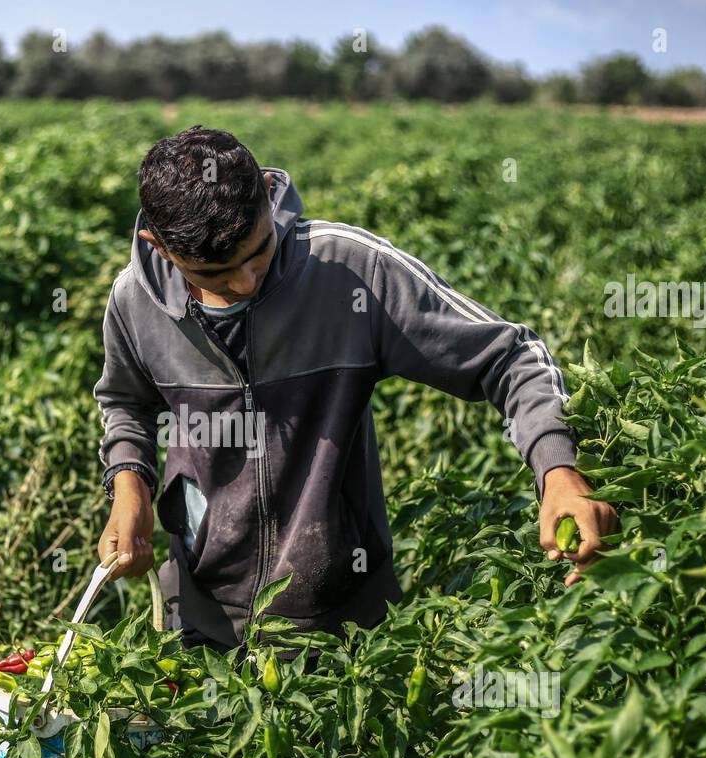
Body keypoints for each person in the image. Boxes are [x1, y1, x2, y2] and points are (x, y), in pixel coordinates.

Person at [94, 126, 618, 656]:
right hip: (198, 617)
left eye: (259, 252)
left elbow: (508, 358)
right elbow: (126, 403)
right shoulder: (135, 302)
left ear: (265, 197)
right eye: (219, 272)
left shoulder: (351, 272)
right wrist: (130, 485)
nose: (250, 282)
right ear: (157, 245)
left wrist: (559, 472)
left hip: (346, 631)